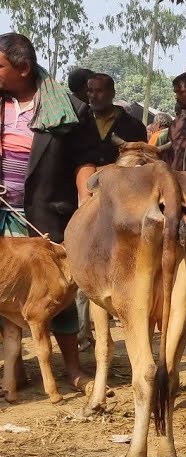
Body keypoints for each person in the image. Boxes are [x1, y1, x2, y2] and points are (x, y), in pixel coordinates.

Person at [0, 32, 89, 391]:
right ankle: (13, 371)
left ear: (22, 68)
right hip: (3, 211)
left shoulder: (69, 108)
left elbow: (85, 161)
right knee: (6, 292)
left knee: (58, 294)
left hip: (44, 212)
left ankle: (73, 369)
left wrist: (85, 204)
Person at [72, 72, 147, 193]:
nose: (93, 96)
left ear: (112, 93)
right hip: (83, 193)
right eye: (90, 91)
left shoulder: (135, 127)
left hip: (122, 192)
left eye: (99, 91)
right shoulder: (78, 124)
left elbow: (140, 161)